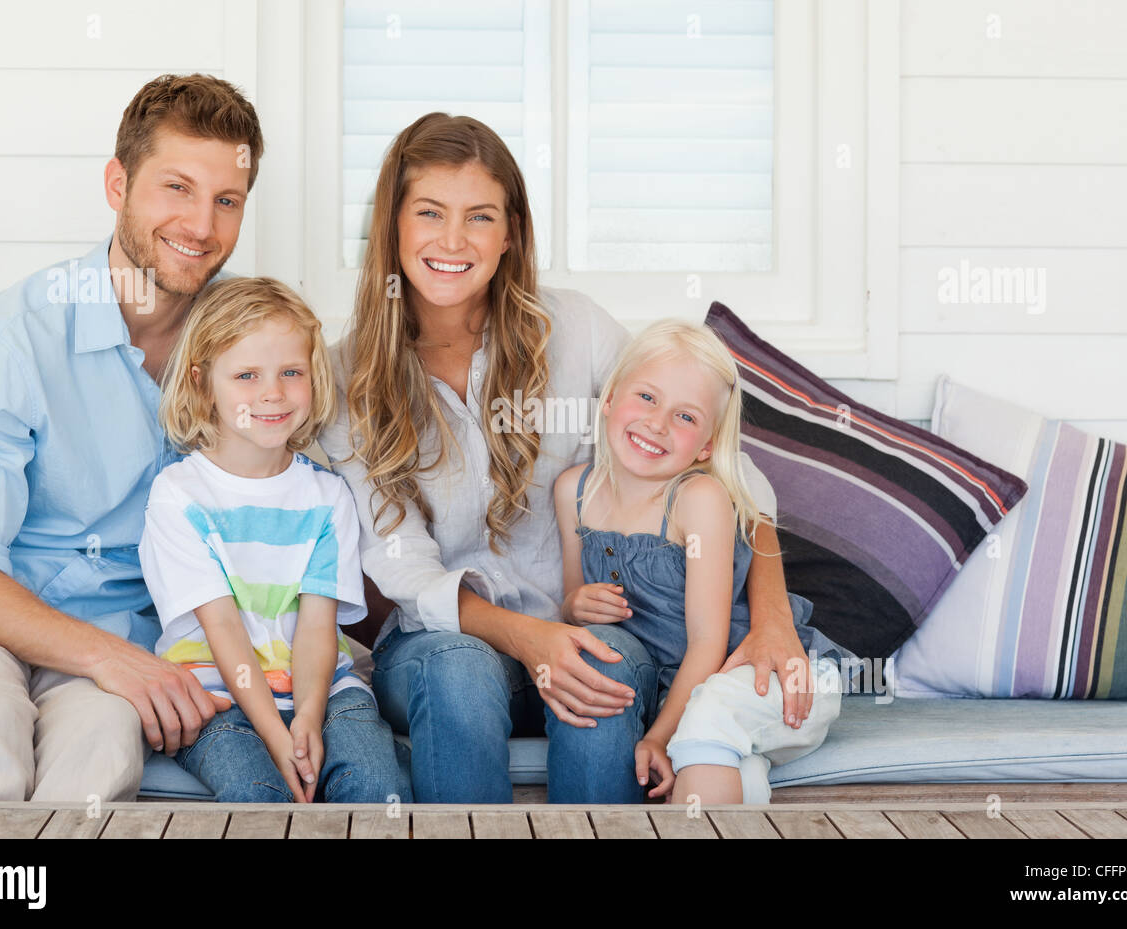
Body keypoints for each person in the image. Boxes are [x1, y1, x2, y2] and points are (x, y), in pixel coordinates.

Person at [319, 112, 824, 804]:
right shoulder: (347, 376)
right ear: (393, 226)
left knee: (605, 659)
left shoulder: (577, 330)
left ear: (511, 235)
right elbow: (403, 565)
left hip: (593, 637)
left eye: (481, 217)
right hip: (444, 649)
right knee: (458, 671)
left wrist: (773, 621)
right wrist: (529, 637)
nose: (452, 239)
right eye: (429, 212)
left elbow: (734, 484)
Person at [0, 74, 262, 802]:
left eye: (227, 200)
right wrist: (114, 657)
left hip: (118, 646)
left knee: (99, 751)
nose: (200, 224)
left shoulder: (251, 344)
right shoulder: (17, 334)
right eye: (176, 188)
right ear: (117, 184)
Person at [139, 277, 410, 803]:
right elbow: (223, 632)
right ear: (201, 382)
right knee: (258, 795)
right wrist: (275, 733)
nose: (272, 393)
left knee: (374, 785)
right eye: (246, 375)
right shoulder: (180, 495)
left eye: (291, 372)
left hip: (325, 690)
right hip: (217, 695)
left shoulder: (327, 496)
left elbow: (316, 626)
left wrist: (307, 718)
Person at [556, 320, 849, 804]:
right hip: (705, 703)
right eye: (646, 397)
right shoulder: (574, 492)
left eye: (686, 417)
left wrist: (657, 736)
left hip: (770, 682)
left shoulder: (700, 498)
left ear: (708, 447)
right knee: (722, 764)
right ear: (608, 399)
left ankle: (697, 744)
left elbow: (708, 644)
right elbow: (568, 603)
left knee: (706, 717)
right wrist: (576, 606)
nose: (657, 423)